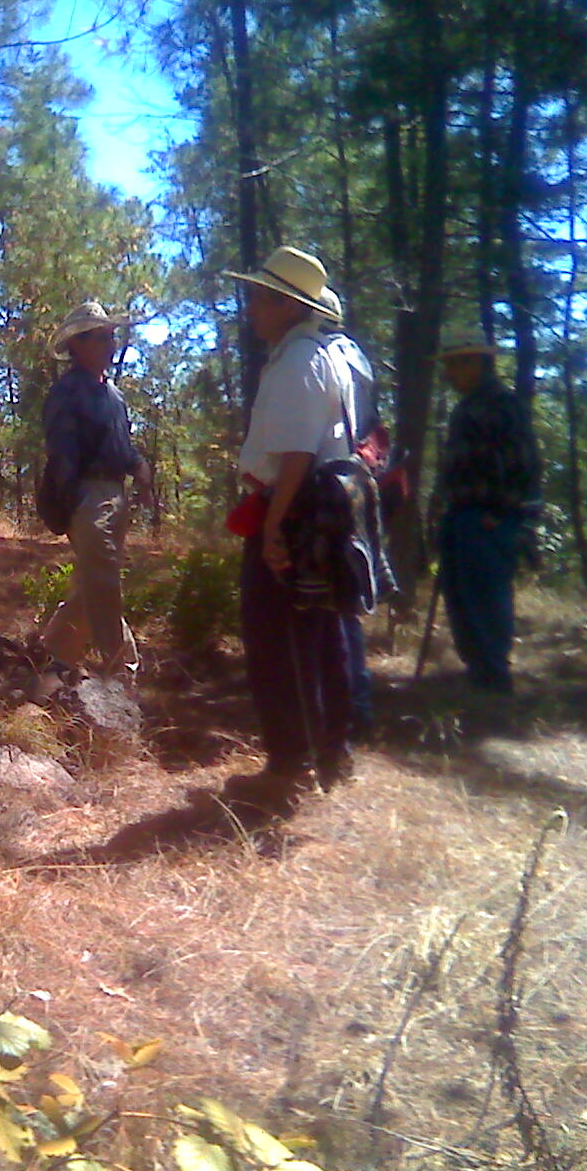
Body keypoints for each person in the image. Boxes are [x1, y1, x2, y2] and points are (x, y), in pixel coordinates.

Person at [228, 247, 354, 797]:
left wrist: (275, 529)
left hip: (292, 509)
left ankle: (292, 762)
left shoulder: (302, 360)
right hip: (297, 508)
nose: (251, 307)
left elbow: (298, 454)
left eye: (259, 297)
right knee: (313, 635)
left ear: (285, 303)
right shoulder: (305, 354)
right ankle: (323, 753)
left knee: (279, 638)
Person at [37, 301, 150, 679]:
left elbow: (120, 444)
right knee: (102, 578)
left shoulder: (113, 395)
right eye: (102, 338)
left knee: (92, 580)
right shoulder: (67, 393)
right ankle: (122, 668)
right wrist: (68, 503)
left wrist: (138, 466)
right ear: (79, 345)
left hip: (115, 494)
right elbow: (61, 453)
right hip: (87, 496)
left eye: (112, 336)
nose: (111, 344)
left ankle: (55, 653)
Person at [435, 327, 542, 693]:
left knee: (487, 600)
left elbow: (524, 467)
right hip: (462, 517)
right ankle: (478, 673)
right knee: (462, 599)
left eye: (454, 365)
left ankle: (494, 679)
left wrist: (500, 514)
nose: (448, 374)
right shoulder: (467, 407)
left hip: (488, 519)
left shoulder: (503, 406)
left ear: (476, 363)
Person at [319, 287, 377, 739]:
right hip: (354, 480)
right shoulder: (355, 357)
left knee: (332, 600)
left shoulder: (324, 357)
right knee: (346, 599)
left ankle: (346, 707)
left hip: (330, 485)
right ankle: (357, 703)